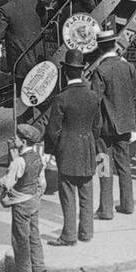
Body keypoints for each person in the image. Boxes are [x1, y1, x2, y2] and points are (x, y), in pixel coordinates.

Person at [45, 49, 102, 245]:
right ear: (82, 71)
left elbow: (53, 130)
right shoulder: (93, 96)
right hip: (87, 149)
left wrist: (53, 151)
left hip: (67, 152)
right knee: (86, 191)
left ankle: (69, 236)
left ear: (66, 72)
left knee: (68, 194)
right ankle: (86, 233)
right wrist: (89, 142)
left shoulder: (61, 98)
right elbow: (97, 126)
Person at [88, 29, 136, 219]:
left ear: (100, 48)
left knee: (104, 167)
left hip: (105, 129)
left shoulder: (101, 71)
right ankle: (127, 204)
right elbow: (135, 98)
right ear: (114, 45)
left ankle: (106, 209)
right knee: (124, 165)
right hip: (125, 126)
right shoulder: (128, 67)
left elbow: (95, 102)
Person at [0, 121, 46, 272]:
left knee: (20, 240)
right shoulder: (37, 158)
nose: (15, 139)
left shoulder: (19, 161)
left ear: (24, 142)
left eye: (18, 138)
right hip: (34, 199)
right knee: (34, 236)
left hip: (21, 203)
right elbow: (42, 182)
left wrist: (2, 181)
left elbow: (8, 183)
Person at [0, 0, 49, 87]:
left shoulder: (5, 9)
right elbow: (44, 21)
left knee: (22, 95)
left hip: (19, 62)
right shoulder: (35, 3)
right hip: (39, 59)